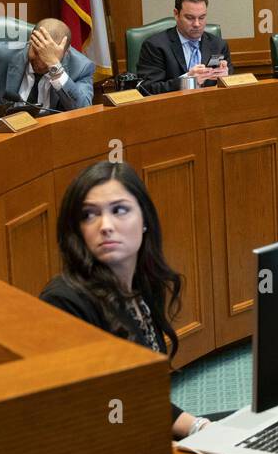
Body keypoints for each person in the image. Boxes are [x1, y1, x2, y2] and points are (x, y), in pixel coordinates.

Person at [39, 161, 208, 439]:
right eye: (89, 215)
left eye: (119, 210)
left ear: (144, 221)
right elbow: (92, 419)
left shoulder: (139, 286)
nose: (105, 226)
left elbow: (143, 400)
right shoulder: (64, 303)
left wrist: (200, 428)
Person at [0, 18, 95, 119]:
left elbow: (83, 110)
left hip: (55, 140)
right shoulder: (2, 54)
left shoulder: (81, 67)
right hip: (3, 139)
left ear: (66, 52)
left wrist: (55, 67)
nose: (41, 63)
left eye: (48, 56)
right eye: (37, 52)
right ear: (30, 41)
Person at [136, 0, 230, 96]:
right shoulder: (155, 46)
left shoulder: (218, 45)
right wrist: (187, 81)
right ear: (176, 14)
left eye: (202, 17)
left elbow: (229, 88)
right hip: (171, 109)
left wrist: (226, 80)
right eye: (190, 18)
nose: (197, 24)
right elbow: (147, 89)